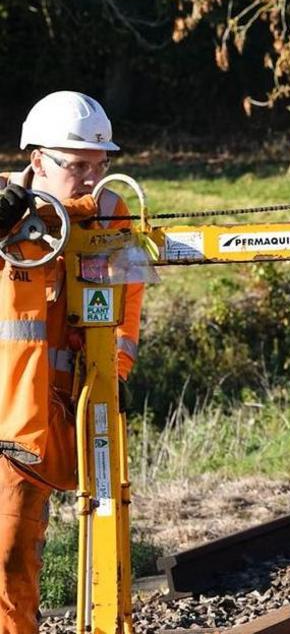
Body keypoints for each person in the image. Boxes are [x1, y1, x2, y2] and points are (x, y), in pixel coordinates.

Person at [0, 91, 143, 632]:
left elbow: (126, 304)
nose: (92, 177)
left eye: (101, 165)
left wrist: (114, 376)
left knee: (21, 555)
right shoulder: (4, 207)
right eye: (78, 165)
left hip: (71, 412)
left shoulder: (109, 211)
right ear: (38, 160)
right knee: (7, 560)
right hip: (9, 413)